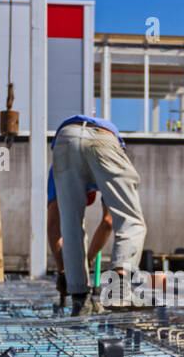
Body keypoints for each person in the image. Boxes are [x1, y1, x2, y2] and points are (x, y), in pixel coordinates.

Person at [50, 114, 147, 316]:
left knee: (71, 224)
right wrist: (65, 269)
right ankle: (118, 290)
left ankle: (79, 301)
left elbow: (57, 226)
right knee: (130, 221)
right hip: (103, 140)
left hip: (64, 140)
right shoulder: (103, 171)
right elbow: (110, 221)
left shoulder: (55, 172)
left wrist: (68, 270)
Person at [47, 168, 112, 304]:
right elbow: (108, 222)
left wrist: (63, 271)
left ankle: (78, 291)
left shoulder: (61, 166)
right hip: (104, 156)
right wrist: (87, 262)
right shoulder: (108, 168)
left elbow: (53, 225)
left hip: (68, 159)